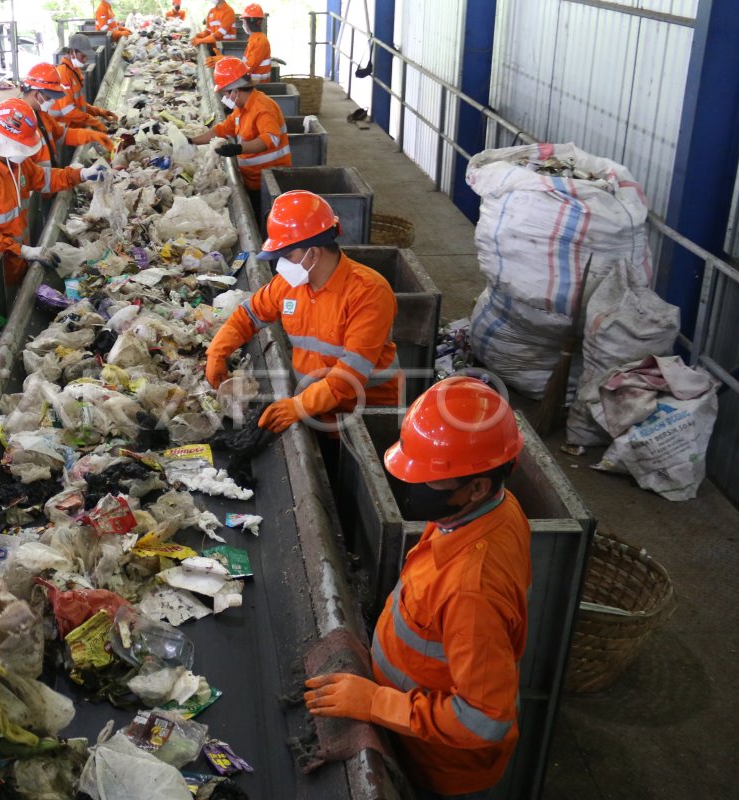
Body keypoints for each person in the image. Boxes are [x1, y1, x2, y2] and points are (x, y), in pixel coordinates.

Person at [305, 376, 531, 800]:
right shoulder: (488, 510)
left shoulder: (472, 589)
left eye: (428, 478)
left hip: (438, 766)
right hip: (414, 726)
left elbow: (484, 719)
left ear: (476, 486)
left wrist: (374, 702)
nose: (412, 485)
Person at [204, 190, 402, 435]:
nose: (280, 265)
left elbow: (350, 374)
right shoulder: (289, 285)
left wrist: (299, 404)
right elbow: (248, 315)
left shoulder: (368, 293)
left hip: (365, 416)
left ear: (314, 252)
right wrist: (216, 352)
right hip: (315, 407)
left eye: (286, 256)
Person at [0, 99, 106, 286]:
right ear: (3, 142)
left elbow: (45, 179)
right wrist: (24, 251)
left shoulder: (17, 165)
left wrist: (82, 174)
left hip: (17, 260)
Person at [189, 58, 291, 211]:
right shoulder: (241, 109)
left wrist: (238, 149)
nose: (225, 98)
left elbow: (270, 139)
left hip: (269, 182)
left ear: (235, 91)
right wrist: (191, 141)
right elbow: (221, 129)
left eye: (225, 93)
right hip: (252, 179)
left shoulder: (263, 107)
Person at [21, 62, 113, 174]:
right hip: (38, 187)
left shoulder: (41, 114)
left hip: (49, 182)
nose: (53, 101)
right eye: (49, 97)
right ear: (36, 94)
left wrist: (91, 135)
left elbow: (61, 134)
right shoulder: (17, 124)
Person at [50, 34, 120, 133]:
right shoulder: (63, 74)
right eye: (83, 56)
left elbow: (79, 105)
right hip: (65, 131)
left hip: (75, 126)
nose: (85, 59)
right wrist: (94, 122)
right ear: (72, 52)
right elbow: (69, 111)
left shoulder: (74, 71)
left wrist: (98, 111)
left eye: (86, 56)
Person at [239, 4, 272, 81]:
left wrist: (228, 63)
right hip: (253, 82)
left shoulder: (259, 41)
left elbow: (248, 67)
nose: (243, 24)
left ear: (250, 22)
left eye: (244, 22)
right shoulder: (254, 38)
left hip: (258, 84)